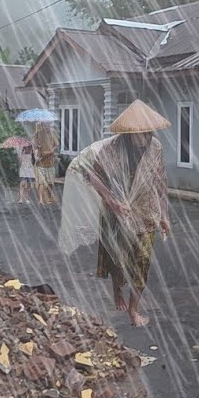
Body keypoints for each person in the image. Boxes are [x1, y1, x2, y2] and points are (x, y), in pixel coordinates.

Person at [73, 100, 171, 327]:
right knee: (118, 260)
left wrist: (164, 215)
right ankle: (117, 290)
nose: (145, 139)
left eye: (148, 133)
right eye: (140, 135)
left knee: (143, 261)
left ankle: (134, 309)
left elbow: (161, 182)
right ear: (128, 134)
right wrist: (112, 201)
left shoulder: (155, 148)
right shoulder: (111, 149)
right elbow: (92, 175)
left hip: (145, 212)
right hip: (116, 213)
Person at [34, 122, 59, 205]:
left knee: (50, 182)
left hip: (50, 161)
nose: (46, 127)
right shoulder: (38, 134)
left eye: (48, 125)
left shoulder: (52, 133)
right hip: (41, 161)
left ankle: (48, 197)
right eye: (45, 125)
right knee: (41, 182)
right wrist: (37, 145)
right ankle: (41, 199)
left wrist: (50, 152)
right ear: (42, 126)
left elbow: (57, 144)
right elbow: (35, 146)